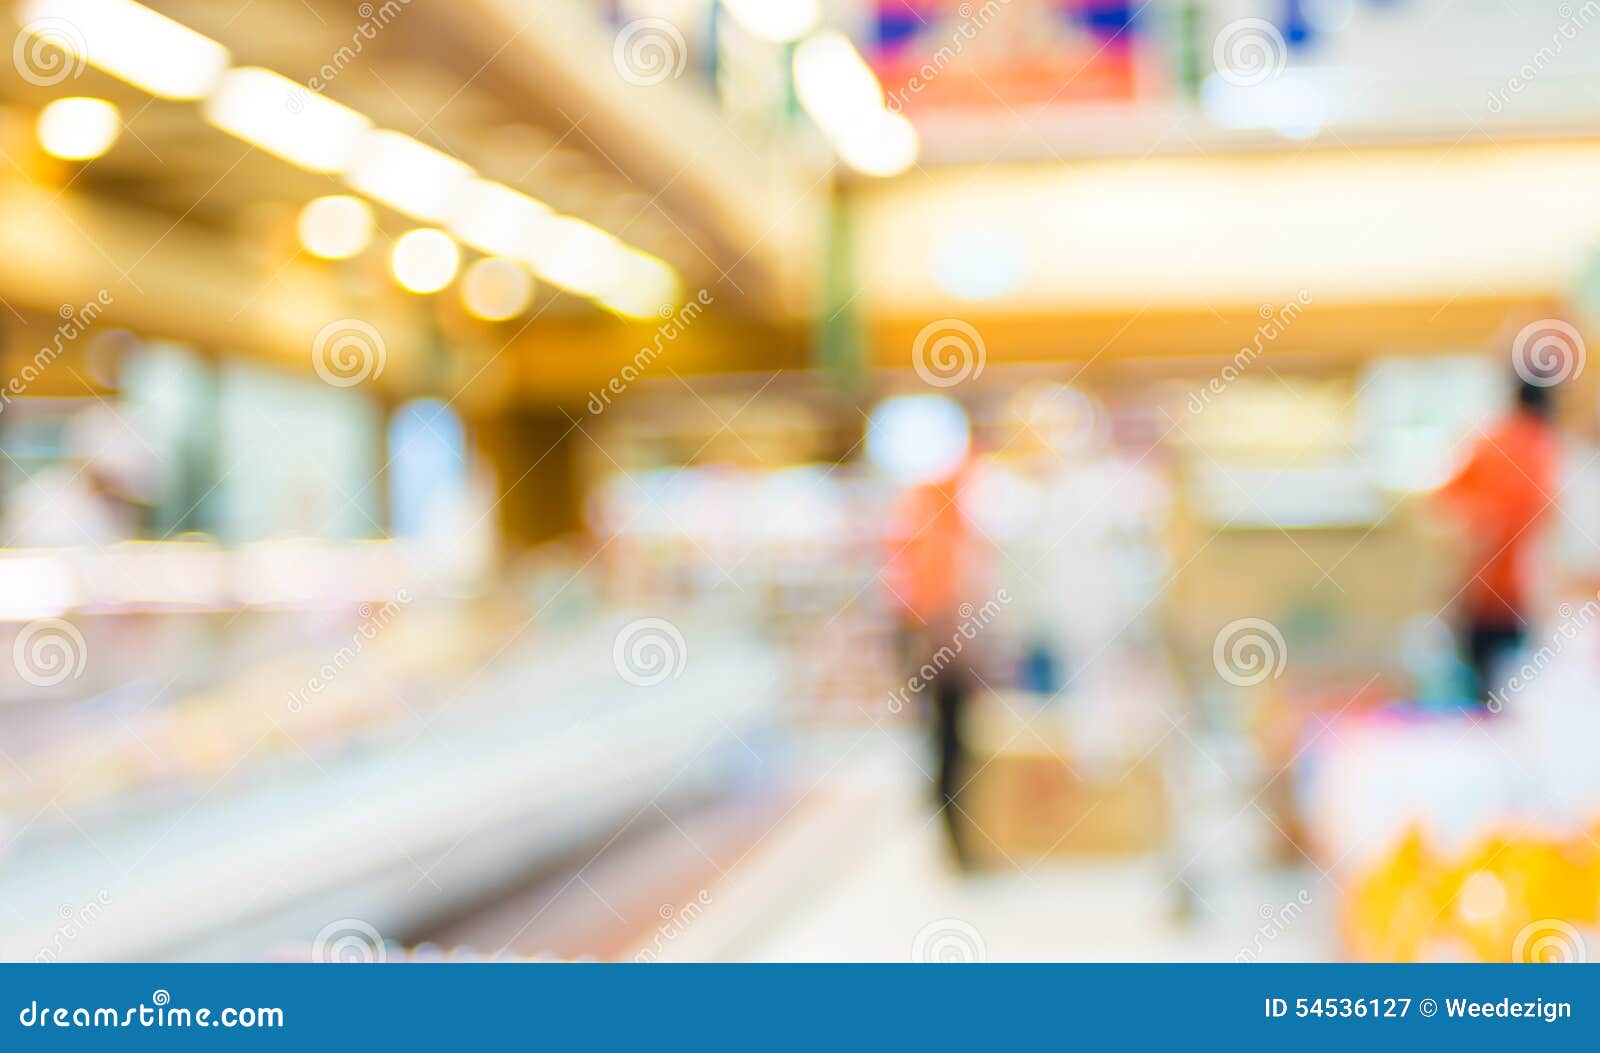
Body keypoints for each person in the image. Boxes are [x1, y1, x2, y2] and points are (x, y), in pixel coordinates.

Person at [1436, 376, 1560, 705]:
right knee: (1520, 699)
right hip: (1524, 600)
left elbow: (1444, 511)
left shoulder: (1488, 442)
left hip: (1482, 594)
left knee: (1484, 697)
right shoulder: (1547, 448)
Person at [885, 461, 981, 868]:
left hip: (946, 662)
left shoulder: (939, 532)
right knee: (949, 749)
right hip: (946, 665)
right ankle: (956, 840)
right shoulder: (934, 535)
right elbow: (929, 603)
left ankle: (959, 836)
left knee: (951, 747)